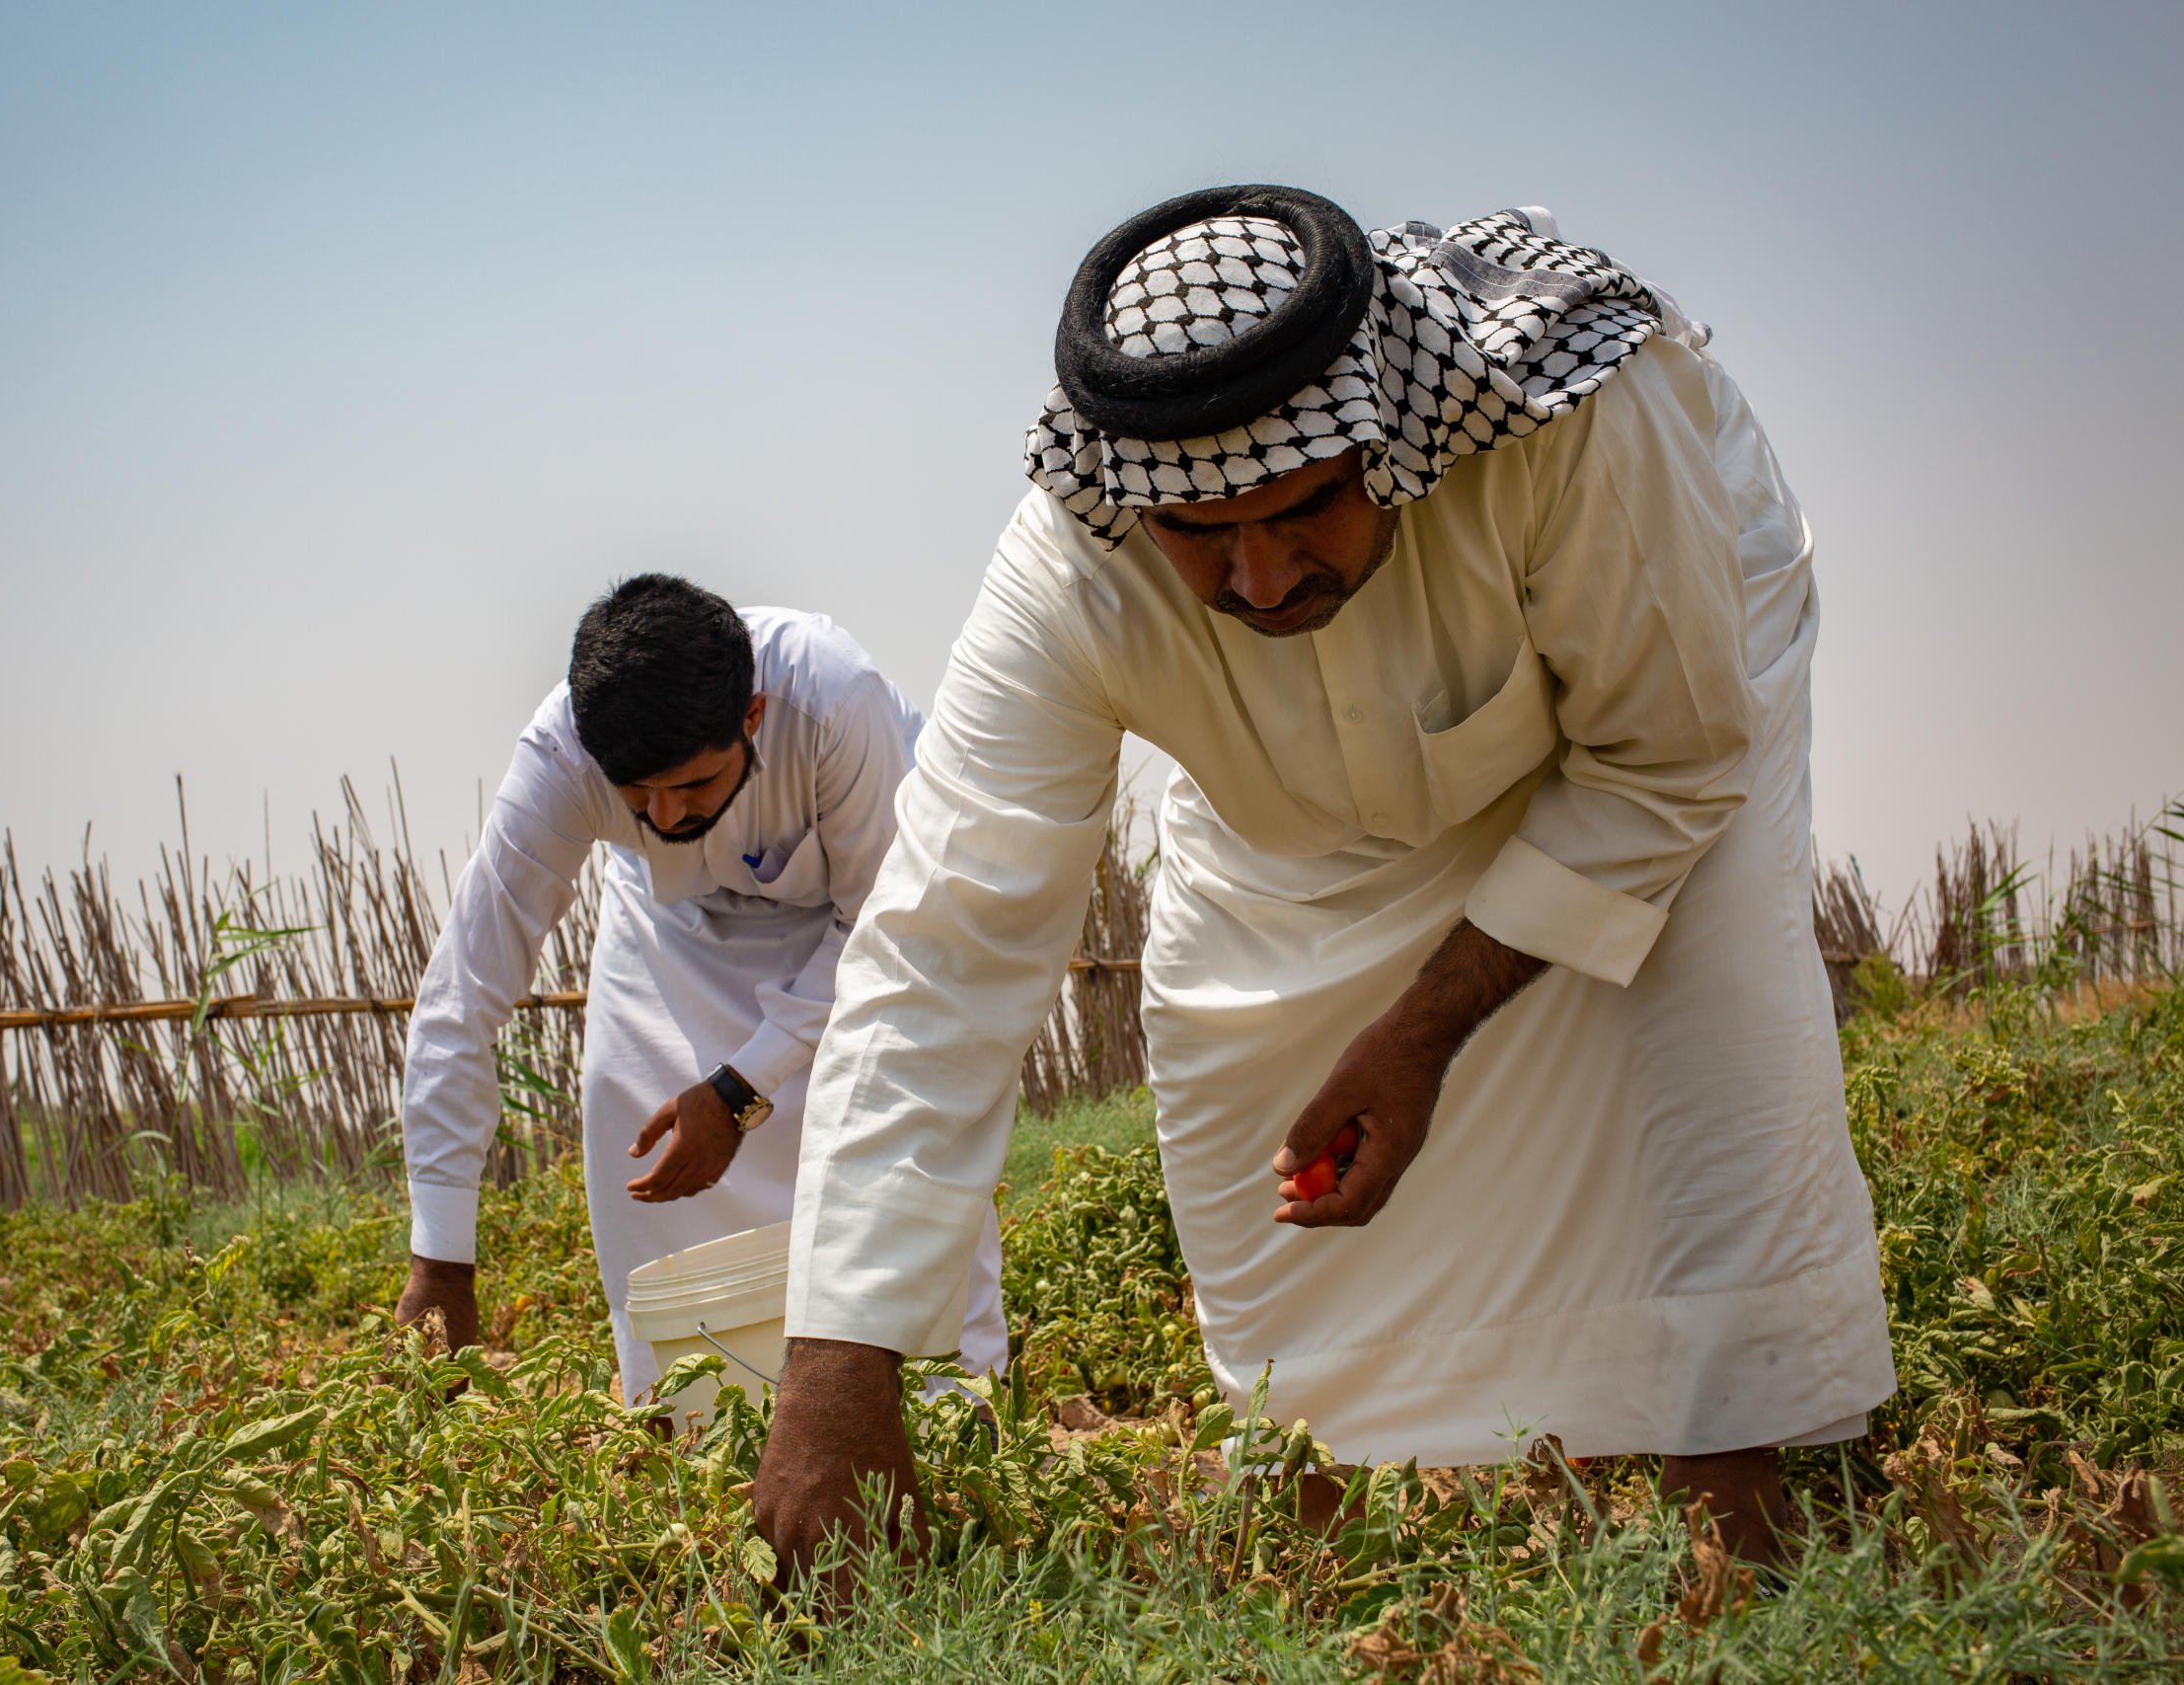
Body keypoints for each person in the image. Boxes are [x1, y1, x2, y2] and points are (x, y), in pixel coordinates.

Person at [756, 187, 1895, 1568]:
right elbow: (944, 942)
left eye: (1304, 506)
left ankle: (1753, 1506)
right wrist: (837, 1370)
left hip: (1660, 681)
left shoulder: (1570, 426)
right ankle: (1335, 1536)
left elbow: (1665, 760)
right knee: (1233, 1065)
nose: (1260, 578)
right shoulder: (1072, 569)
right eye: (1199, 533)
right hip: (1297, 802)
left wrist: (1423, 1026)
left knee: (1701, 1023)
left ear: (1386, 436)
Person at [395, 574, 1007, 1407]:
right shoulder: (561, 758)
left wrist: (738, 1087)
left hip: (871, 906)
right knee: (632, 1117)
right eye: (635, 795)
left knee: (900, 1128)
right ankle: (695, 1420)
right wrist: (442, 1260)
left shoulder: (834, 701)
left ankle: (951, 1408)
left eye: (694, 785)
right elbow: (463, 991)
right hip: (673, 920)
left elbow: (880, 925)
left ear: (751, 716)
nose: (665, 817)